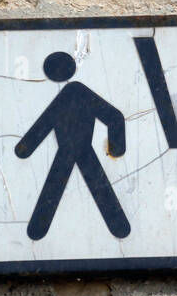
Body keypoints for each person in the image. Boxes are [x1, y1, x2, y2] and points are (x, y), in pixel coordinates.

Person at [15, 52, 131, 240]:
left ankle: (36, 232)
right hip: (77, 151)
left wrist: (25, 148)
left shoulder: (73, 93)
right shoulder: (77, 92)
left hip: (75, 150)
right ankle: (120, 229)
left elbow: (43, 124)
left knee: (55, 189)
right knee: (96, 187)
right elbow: (114, 117)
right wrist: (117, 148)